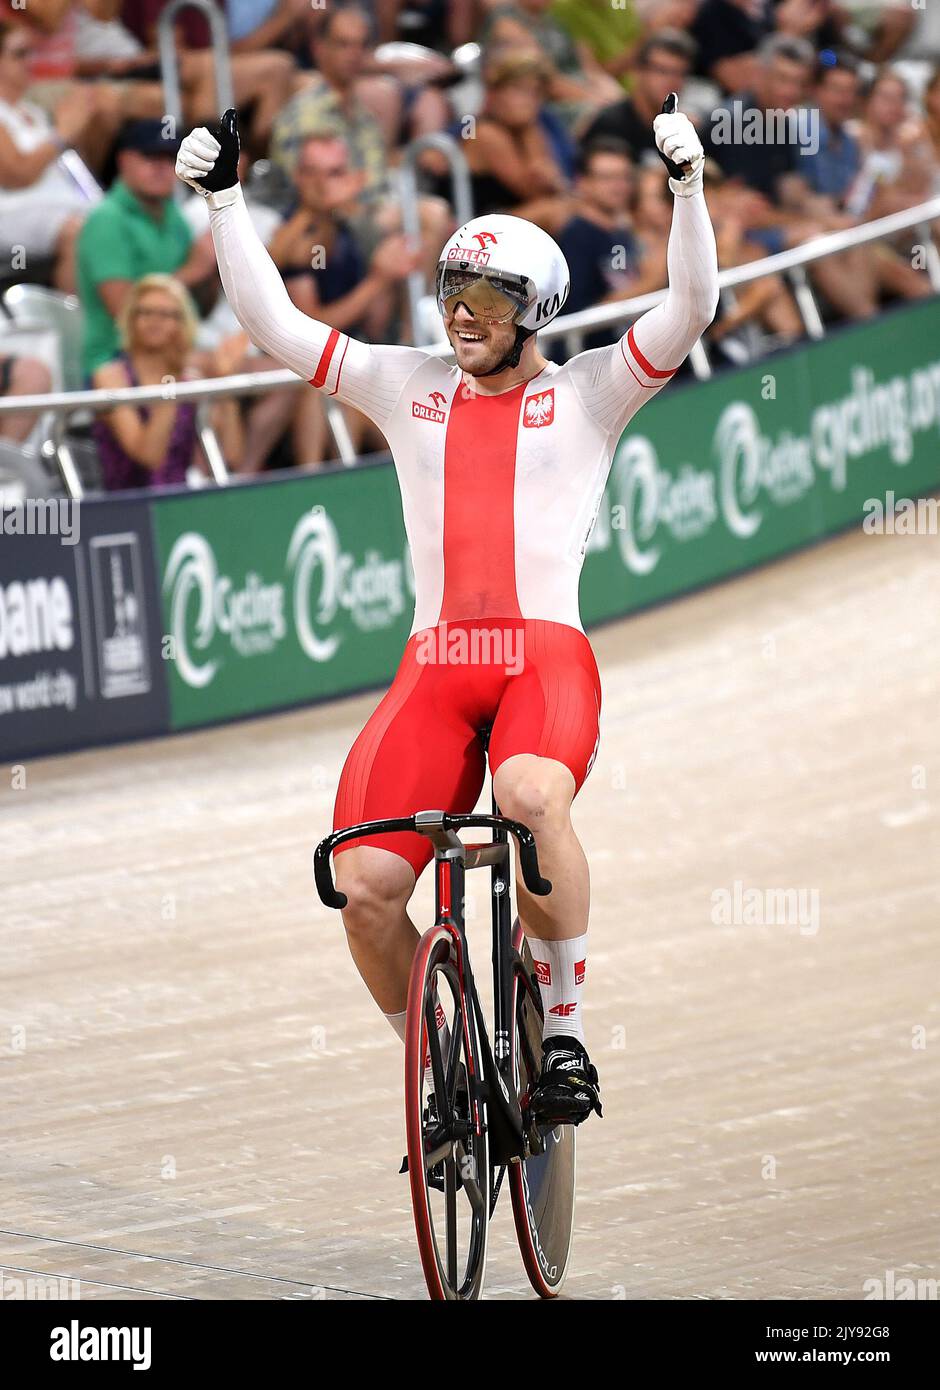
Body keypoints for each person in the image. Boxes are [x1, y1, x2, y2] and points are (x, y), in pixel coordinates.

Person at [175, 98, 718, 1126]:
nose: (458, 313)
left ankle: (562, 1037)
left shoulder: (591, 394)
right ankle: (438, 1069)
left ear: (536, 311)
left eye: (484, 297)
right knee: (365, 886)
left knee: (527, 795)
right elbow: (276, 329)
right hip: (432, 668)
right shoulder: (403, 385)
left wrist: (687, 192)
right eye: (448, 292)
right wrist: (226, 201)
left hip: (541, 662)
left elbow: (689, 310)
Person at [77, 119, 217, 377]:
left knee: (282, 369)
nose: (162, 168)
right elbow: (126, 314)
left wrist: (213, 271)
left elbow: (197, 306)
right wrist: (191, 271)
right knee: (220, 370)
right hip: (117, 360)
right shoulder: (107, 219)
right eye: (150, 157)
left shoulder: (172, 215)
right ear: (123, 161)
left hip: (176, 350)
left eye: (169, 159)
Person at [91, 273, 242, 490]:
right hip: (127, 505)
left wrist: (225, 382)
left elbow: (232, 456)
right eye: (146, 312)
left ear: (183, 323)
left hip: (180, 504)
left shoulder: (190, 382)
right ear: (130, 319)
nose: (155, 321)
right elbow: (148, 458)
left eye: (166, 314)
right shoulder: (110, 377)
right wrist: (171, 383)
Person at [0, 20, 98, 291]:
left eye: (31, 53)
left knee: (118, 218)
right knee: (77, 231)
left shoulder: (33, 111)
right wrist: (62, 134)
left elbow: (72, 171)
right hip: (10, 211)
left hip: (57, 203)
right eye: (19, 54)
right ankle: (77, 324)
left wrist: (77, 130)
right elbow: (16, 175)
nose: (29, 61)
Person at [579, 30, 696, 166]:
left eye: (680, 73)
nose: (672, 81)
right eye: (662, 71)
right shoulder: (611, 126)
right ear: (638, 71)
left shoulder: (680, 130)